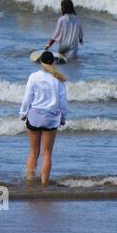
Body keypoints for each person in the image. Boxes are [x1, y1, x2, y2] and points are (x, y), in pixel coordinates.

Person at [20, 52, 69, 184]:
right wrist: (63, 117)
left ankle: (30, 181)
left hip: (35, 116)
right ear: (53, 62)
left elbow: (27, 98)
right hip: (51, 118)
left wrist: (23, 113)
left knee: (33, 151)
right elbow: (63, 102)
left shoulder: (34, 76)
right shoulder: (58, 79)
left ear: (41, 62)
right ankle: (44, 183)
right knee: (46, 153)